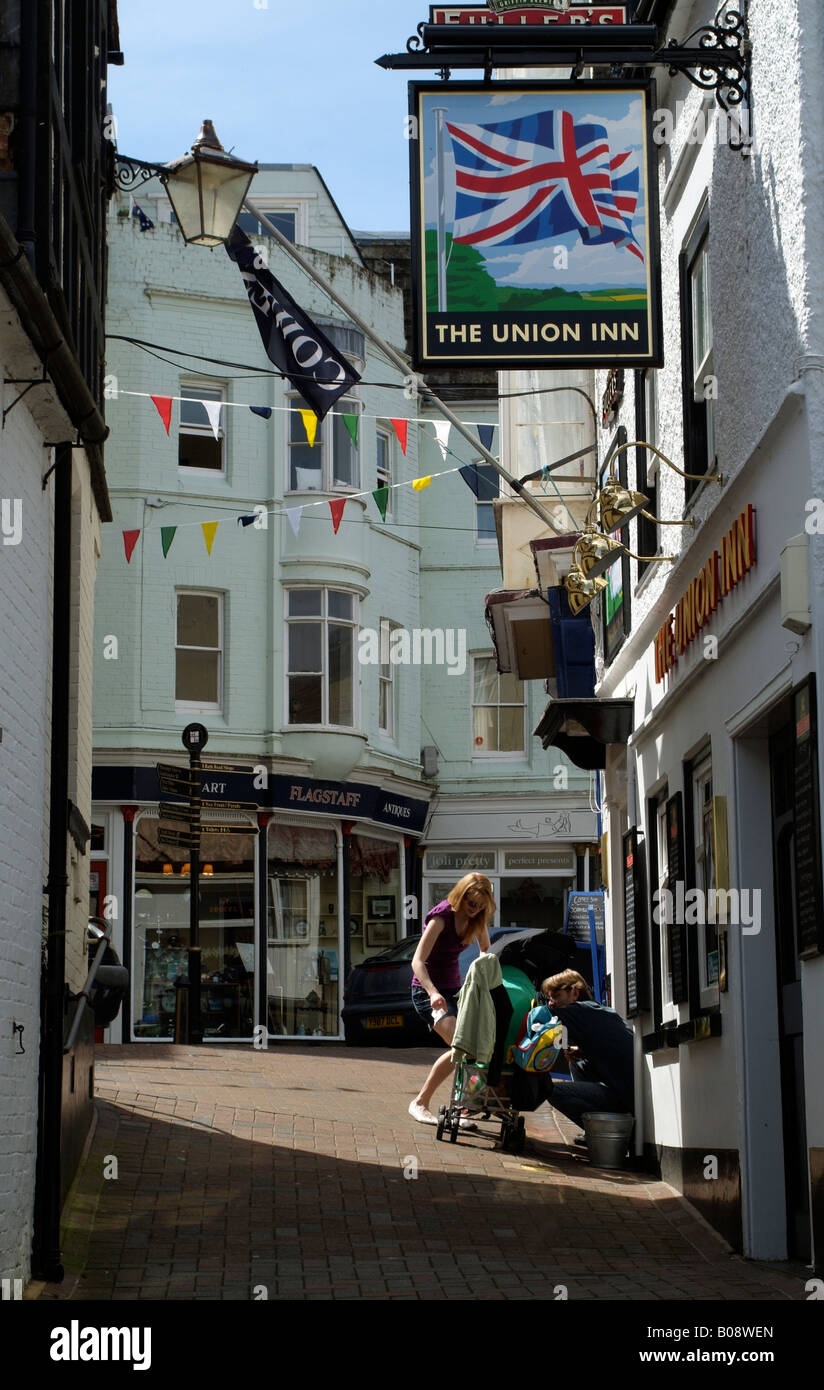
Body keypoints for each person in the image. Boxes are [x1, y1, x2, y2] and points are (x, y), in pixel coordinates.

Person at [408, 873, 495, 1124]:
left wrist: (485, 977)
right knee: (462, 1046)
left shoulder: (477, 918)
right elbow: (417, 961)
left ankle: (462, 1108)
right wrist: (433, 992)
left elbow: (486, 951)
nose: (475, 910)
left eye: (480, 906)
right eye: (471, 904)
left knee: (473, 1049)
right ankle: (420, 1102)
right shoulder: (441, 918)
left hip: (454, 989)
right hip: (428, 992)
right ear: (461, 895)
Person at [541, 969, 634, 1138]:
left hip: (623, 1098)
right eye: (549, 998)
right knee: (576, 1062)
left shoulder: (578, 1011)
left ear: (574, 993)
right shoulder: (595, 1011)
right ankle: (596, 1131)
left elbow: (544, 1017)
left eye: (556, 996)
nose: (551, 1003)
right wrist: (582, 1053)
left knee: (550, 1091)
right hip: (628, 1092)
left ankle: (601, 1134)